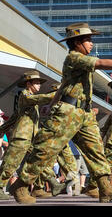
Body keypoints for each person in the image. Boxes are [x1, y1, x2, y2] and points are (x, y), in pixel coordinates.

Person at [10, 22, 112, 204]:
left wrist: (53, 104)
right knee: (46, 150)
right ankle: (21, 186)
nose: (91, 43)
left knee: (96, 151)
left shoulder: (80, 64)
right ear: (76, 42)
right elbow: (101, 63)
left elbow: (63, 85)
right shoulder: (74, 58)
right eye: (87, 40)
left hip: (84, 114)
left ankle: (105, 188)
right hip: (68, 113)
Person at [0, 71, 67, 200]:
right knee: (10, 163)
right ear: (28, 83)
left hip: (31, 138)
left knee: (39, 160)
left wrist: (3, 128)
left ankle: (52, 183)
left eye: (39, 83)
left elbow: (15, 116)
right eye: (36, 82)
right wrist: (56, 95)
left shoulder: (31, 101)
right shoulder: (25, 95)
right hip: (22, 136)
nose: (39, 85)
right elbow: (36, 99)